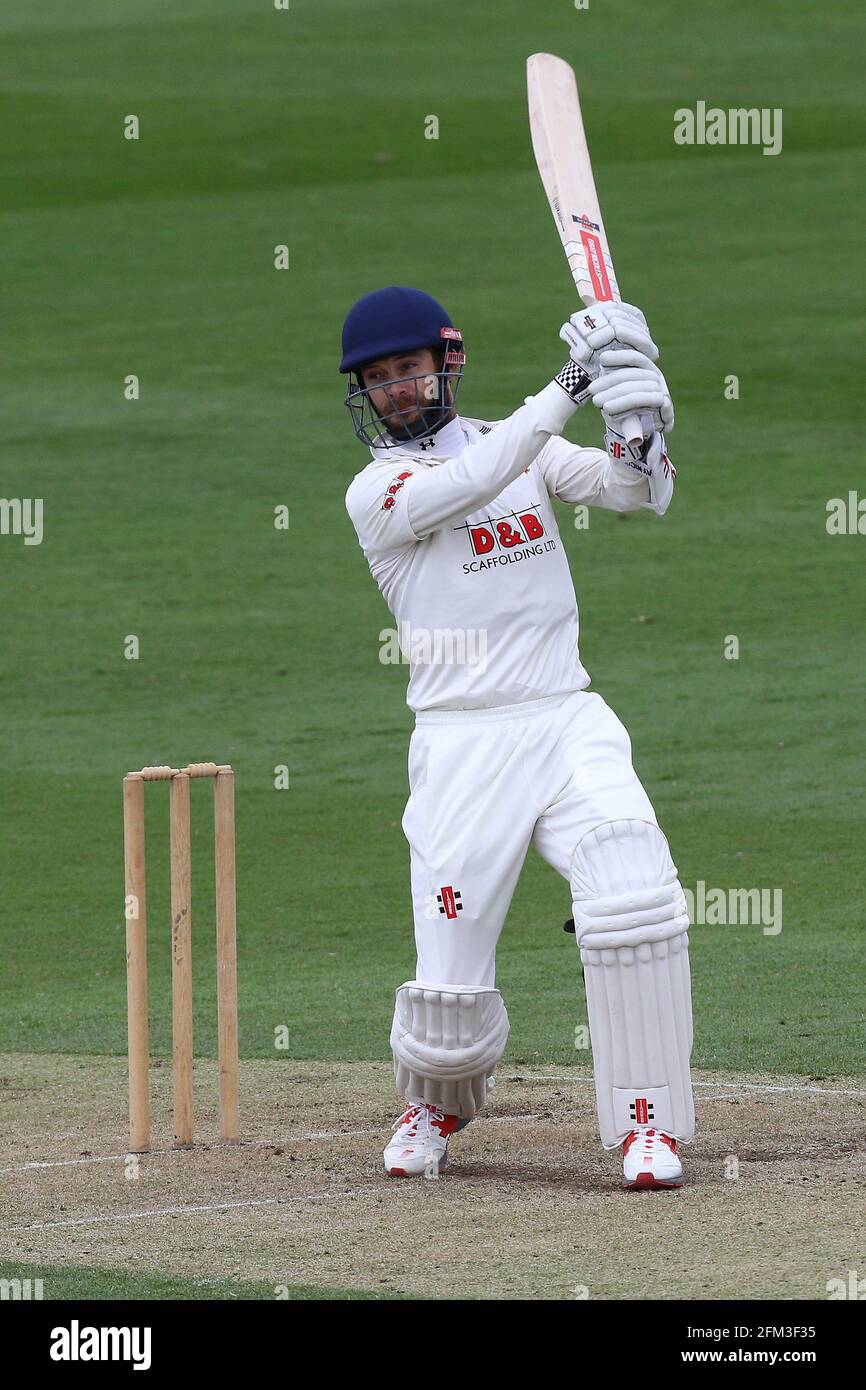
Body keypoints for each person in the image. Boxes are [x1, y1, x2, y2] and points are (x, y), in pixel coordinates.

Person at [341, 285, 694, 1190]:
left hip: (566, 716)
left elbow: (634, 495)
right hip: (463, 743)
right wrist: (575, 378)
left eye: (408, 369)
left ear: (446, 362)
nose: (394, 389)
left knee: (631, 891)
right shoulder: (378, 490)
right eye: (377, 379)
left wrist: (637, 414)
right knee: (450, 969)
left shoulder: (521, 443)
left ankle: (646, 1125)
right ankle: (435, 1104)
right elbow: (475, 478)